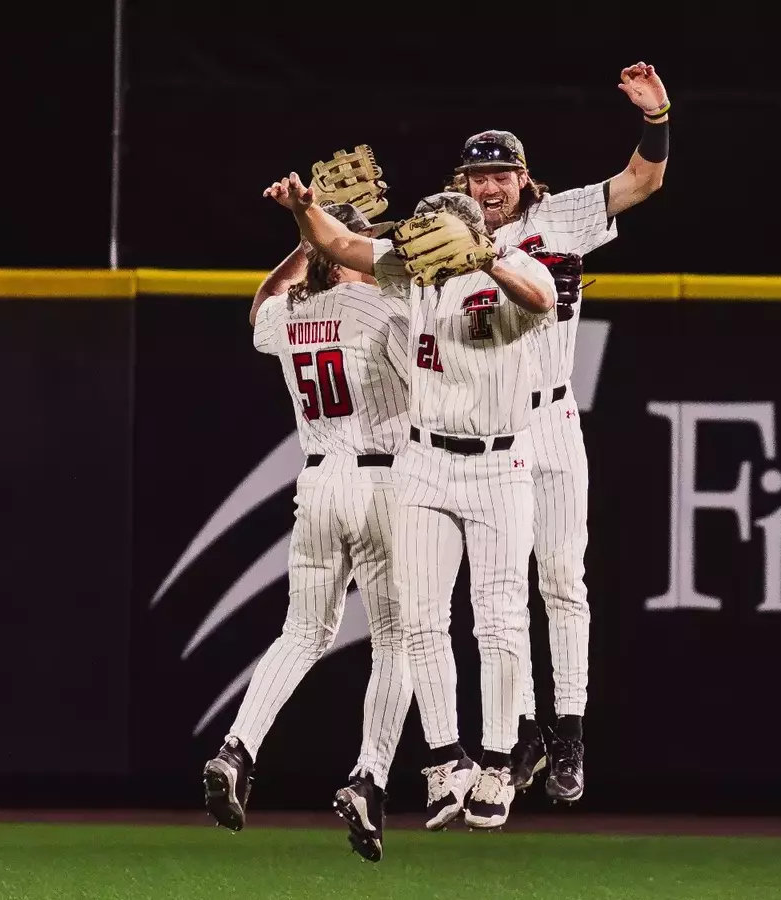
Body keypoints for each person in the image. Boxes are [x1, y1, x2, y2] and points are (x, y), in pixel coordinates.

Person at [265, 174, 558, 831]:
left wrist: (485, 255)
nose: (420, 249)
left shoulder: (507, 267)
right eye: (420, 238)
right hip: (425, 458)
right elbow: (338, 244)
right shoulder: (409, 269)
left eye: (435, 238)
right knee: (421, 619)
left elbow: (540, 298)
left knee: (499, 617)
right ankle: (447, 758)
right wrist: (306, 211)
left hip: (498, 463)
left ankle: (500, 763)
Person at [445, 61, 670, 804]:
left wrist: (656, 120)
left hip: (554, 416)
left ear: (522, 177)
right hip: (493, 429)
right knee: (498, 599)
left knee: (561, 582)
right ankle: (523, 728)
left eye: (503, 173)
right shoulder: (445, 243)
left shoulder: (560, 219)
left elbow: (641, 182)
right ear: (463, 183)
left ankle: (567, 733)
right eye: (480, 175)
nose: (491, 186)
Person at [202, 202, 415, 864]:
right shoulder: (389, 310)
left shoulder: (295, 314)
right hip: (384, 482)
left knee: (301, 633)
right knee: (397, 641)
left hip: (318, 481)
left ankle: (238, 749)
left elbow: (259, 304)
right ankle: (368, 779)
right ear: (349, 246)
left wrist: (301, 241)